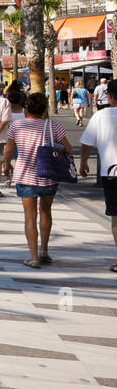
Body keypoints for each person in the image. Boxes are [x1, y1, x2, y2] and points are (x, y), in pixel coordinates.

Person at [4, 92, 72, 269]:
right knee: (46, 212)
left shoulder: (16, 125)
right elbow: (69, 149)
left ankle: (33, 257)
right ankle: (44, 251)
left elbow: (9, 150)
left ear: (26, 108)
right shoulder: (53, 126)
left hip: (25, 176)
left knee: (29, 217)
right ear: (44, 109)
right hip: (48, 176)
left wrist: (6, 166)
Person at [78, 82, 117, 274]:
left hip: (111, 173)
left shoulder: (100, 116)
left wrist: (83, 162)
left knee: (116, 218)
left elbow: (87, 144)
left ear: (109, 96)